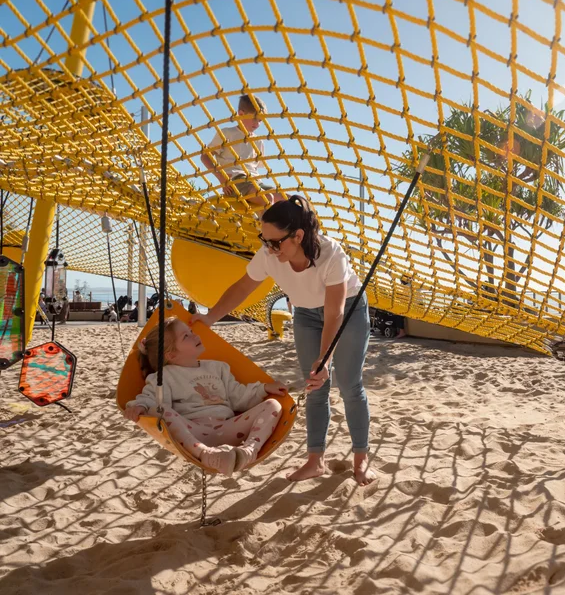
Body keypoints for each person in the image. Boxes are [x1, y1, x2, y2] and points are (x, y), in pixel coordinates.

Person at [192, 195, 376, 486]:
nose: (268, 248)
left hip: (348, 311)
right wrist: (210, 318)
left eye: (275, 242)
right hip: (305, 313)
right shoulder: (269, 255)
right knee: (315, 386)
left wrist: (325, 358)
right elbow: (243, 287)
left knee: (350, 385)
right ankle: (315, 462)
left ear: (298, 236)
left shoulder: (331, 254)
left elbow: (335, 312)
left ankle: (361, 458)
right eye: (264, 240)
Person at [123, 318, 286, 475]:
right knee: (158, 409)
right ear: (171, 355)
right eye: (186, 336)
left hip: (229, 428)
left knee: (273, 405)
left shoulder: (218, 368)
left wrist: (263, 389)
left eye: (191, 331)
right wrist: (139, 406)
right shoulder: (164, 376)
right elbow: (151, 398)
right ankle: (204, 453)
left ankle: (249, 450)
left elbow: (238, 396)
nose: (195, 335)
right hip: (193, 433)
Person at [200, 94, 277, 209]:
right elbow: (205, 156)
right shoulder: (227, 133)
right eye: (255, 118)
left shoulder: (258, 142)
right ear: (241, 114)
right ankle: (264, 226)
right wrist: (222, 178)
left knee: (287, 200)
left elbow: (254, 168)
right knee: (268, 199)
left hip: (255, 182)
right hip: (236, 181)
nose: (258, 124)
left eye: (260, 120)